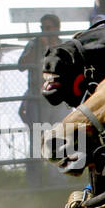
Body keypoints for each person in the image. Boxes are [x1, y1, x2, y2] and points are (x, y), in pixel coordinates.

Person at [17, 15, 67, 185]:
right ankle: (34, 182)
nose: (45, 31)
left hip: (59, 99)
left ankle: (57, 180)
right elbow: (21, 65)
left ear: (57, 28)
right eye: (43, 27)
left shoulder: (65, 44)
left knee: (58, 138)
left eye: (48, 27)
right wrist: (40, 48)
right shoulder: (34, 44)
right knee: (37, 139)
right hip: (38, 99)